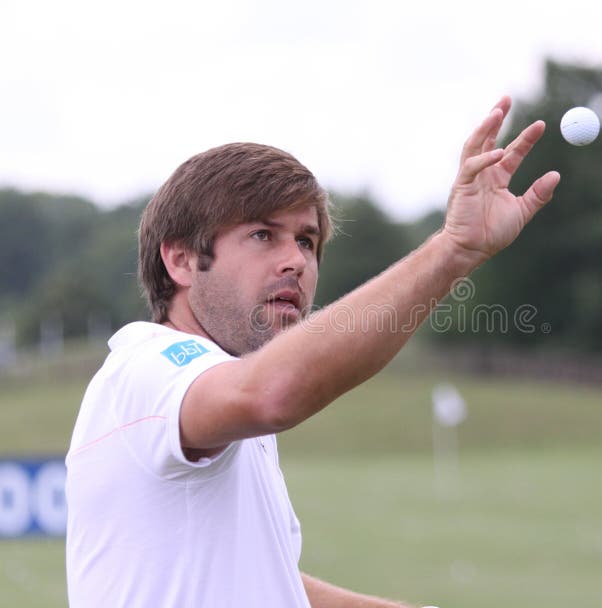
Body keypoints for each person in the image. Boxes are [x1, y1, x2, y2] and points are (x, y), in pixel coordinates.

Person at [64, 96, 560, 607]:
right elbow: (272, 394)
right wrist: (452, 249)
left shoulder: (220, 388)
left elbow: (265, 580)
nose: (295, 262)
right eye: (262, 234)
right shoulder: (149, 366)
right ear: (182, 260)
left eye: (306, 240)